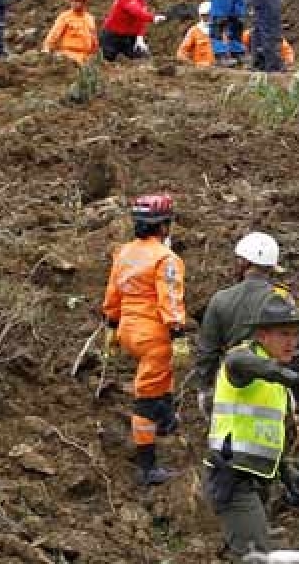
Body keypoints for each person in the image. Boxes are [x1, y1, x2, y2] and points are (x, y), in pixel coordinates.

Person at [205, 289, 299, 562]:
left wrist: (287, 475)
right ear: (262, 335)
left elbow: (266, 435)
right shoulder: (245, 358)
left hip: (257, 479)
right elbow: (236, 361)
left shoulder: (274, 381)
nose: (291, 342)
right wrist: (288, 377)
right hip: (232, 476)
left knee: (252, 552)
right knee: (257, 556)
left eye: (294, 334)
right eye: (283, 334)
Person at [101, 193, 186, 486]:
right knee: (147, 399)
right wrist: (178, 330)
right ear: (163, 226)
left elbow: (113, 295)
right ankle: (147, 467)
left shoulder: (123, 253)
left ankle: (166, 421)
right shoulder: (166, 258)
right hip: (153, 335)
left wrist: (111, 327)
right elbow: (170, 298)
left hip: (127, 329)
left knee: (161, 379)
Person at [192, 231, 282, 412]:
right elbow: (292, 349)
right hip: (271, 387)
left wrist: (204, 388)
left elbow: (207, 351)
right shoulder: (281, 299)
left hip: (231, 386)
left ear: (245, 262)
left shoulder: (220, 299)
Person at [101, 0, 166, 62]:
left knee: (142, 59)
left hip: (129, 37)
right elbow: (137, 12)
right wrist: (153, 18)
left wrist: (140, 37)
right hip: (113, 37)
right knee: (108, 63)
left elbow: (140, 19)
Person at [42, 0, 99, 64]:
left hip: (85, 59)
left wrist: (95, 53)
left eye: (77, 1)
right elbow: (54, 34)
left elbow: (94, 39)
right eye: (72, 1)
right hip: (68, 57)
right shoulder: (65, 17)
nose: (74, 3)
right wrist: (47, 48)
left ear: (84, 2)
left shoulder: (90, 18)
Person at [176, 1, 216, 67]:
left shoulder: (220, 30)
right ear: (201, 16)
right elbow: (181, 54)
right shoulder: (194, 31)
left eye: (209, 15)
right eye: (205, 15)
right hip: (202, 72)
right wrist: (194, 65)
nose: (208, 17)